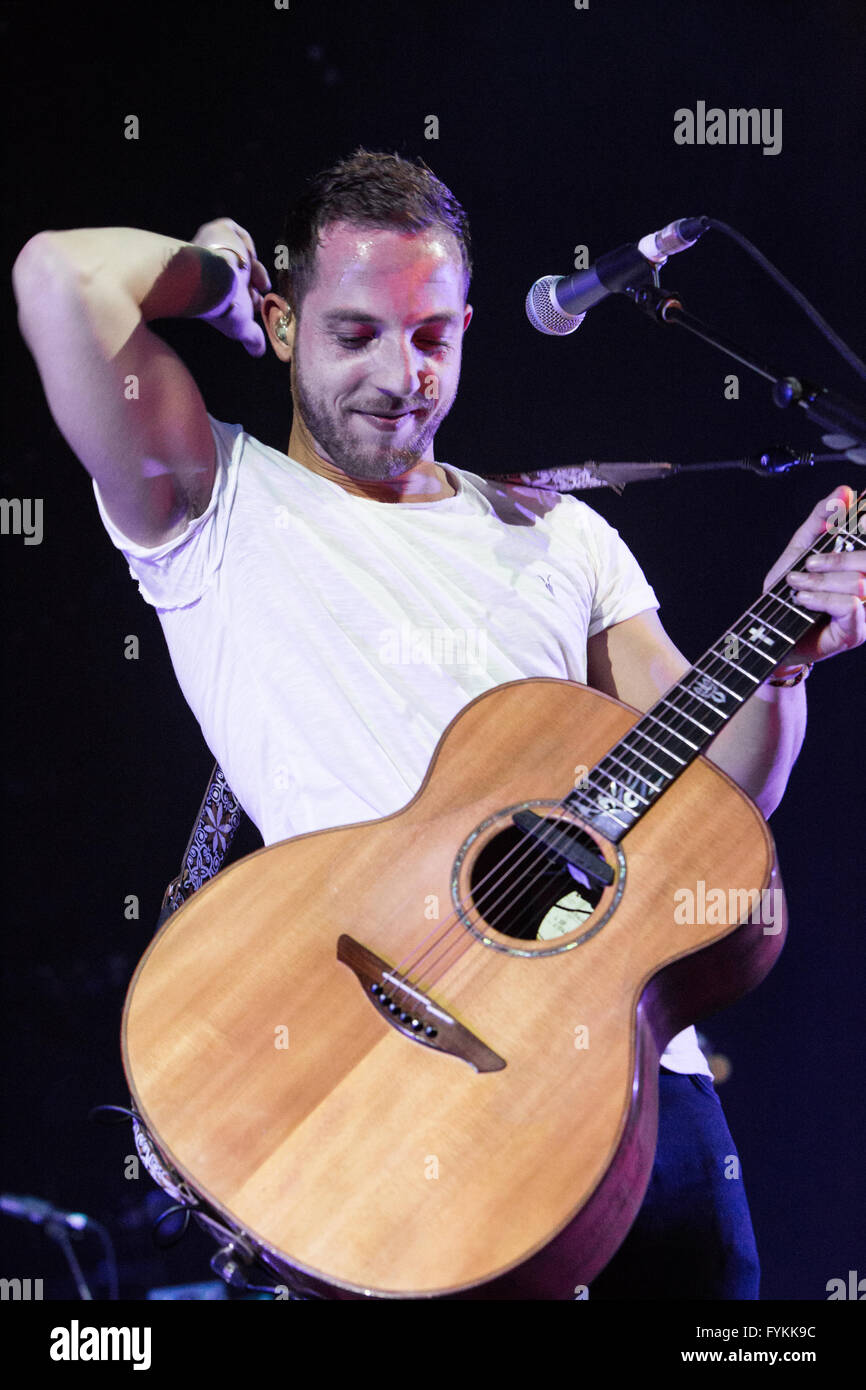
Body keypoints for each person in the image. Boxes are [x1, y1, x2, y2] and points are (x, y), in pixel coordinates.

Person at [13, 149, 865, 1299]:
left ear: (466, 327)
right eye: (353, 333)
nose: (398, 374)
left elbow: (718, 790)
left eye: (430, 337)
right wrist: (215, 275)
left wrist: (783, 662)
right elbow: (58, 278)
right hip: (391, 1085)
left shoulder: (555, 532)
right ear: (281, 321)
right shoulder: (210, 501)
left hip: (631, 1080)